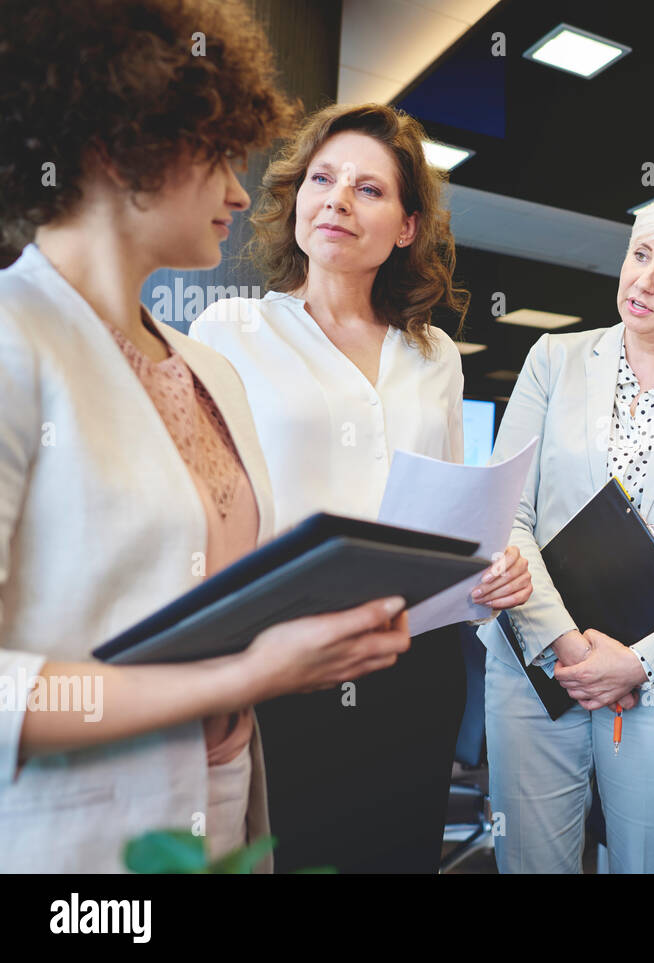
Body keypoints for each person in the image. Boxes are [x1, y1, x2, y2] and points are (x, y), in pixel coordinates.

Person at [0, 0, 413, 873]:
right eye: (218, 154)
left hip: (225, 814)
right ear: (120, 145)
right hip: (78, 852)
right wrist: (249, 676)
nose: (239, 188)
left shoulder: (206, 368)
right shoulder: (13, 341)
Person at [190, 102, 531, 872]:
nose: (338, 199)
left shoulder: (434, 352)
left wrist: (491, 565)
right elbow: (209, 512)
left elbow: (450, 513)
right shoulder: (232, 331)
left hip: (418, 659)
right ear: (298, 198)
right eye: (323, 178)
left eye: (369, 189)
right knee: (300, 855)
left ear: (408, 226)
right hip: (289, 658)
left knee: (401, 855)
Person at [478, 187, 654, 873]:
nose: (642, 280)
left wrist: (641, 661)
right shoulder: (554, 359)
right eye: (641, 255)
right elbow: (506, 510)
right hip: (538, 664)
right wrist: (569, 647)